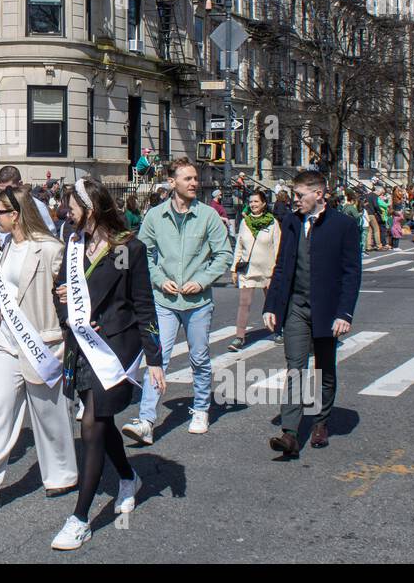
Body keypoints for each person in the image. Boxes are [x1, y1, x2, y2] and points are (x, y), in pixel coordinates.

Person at [48, 179, 163, 550]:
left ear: (91, 209)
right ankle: (128, 476)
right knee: (101, 420)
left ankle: (80, 518)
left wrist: (155, 359)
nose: (67, 213)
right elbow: (62, 292)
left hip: (113, 348)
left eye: (72, 208)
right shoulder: (73, 243)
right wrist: (65, 300)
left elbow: (143, 305)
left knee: (92, 423)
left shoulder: (128, 248)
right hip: (81, 346)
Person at [0, 186, 76, 515]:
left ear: (16, 214)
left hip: (41, 342)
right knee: (0, 414)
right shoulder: (9, 245)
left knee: (49, 414)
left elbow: (70, 287)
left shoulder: (51, 249)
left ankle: (62, 474)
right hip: (6, 345)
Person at [122, 158, 231, 445]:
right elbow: (142, 253)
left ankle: (201, 409)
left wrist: (203, 280)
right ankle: (146, 419)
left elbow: (224, 255)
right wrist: (158, 278)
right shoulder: (155, 216)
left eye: (195, 178)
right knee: (158, 357)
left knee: (199, 358)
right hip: (165, 300)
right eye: (188, 179)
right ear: (172, 183)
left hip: (198, 302)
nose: (194, 183)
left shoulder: (207, 216)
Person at [263, 170, 362, 457]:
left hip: (328, 310)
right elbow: (282, 266)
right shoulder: (292, 221)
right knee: (295, 366)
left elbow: (351, 273)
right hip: (296, 306)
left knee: (323, 369)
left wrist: (344, 313)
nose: (296, 200)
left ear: (318, 194)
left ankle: (320, 422)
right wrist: (271, 305)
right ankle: (290, 433)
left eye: (300, 195)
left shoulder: (343, 225)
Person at [228, 189, 280, 352]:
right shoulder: (245, 222)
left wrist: (277, 270)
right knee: (244, 303)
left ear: (264, 203)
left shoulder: (273, 223)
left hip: (268, 269)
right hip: (248, 269)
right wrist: (234, 268)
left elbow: (278, 247)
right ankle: (239, 337)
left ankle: (277, 331)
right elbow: (239, 246)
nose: (253, 204)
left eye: (256, 201)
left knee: (272, 302)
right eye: (250, 202)